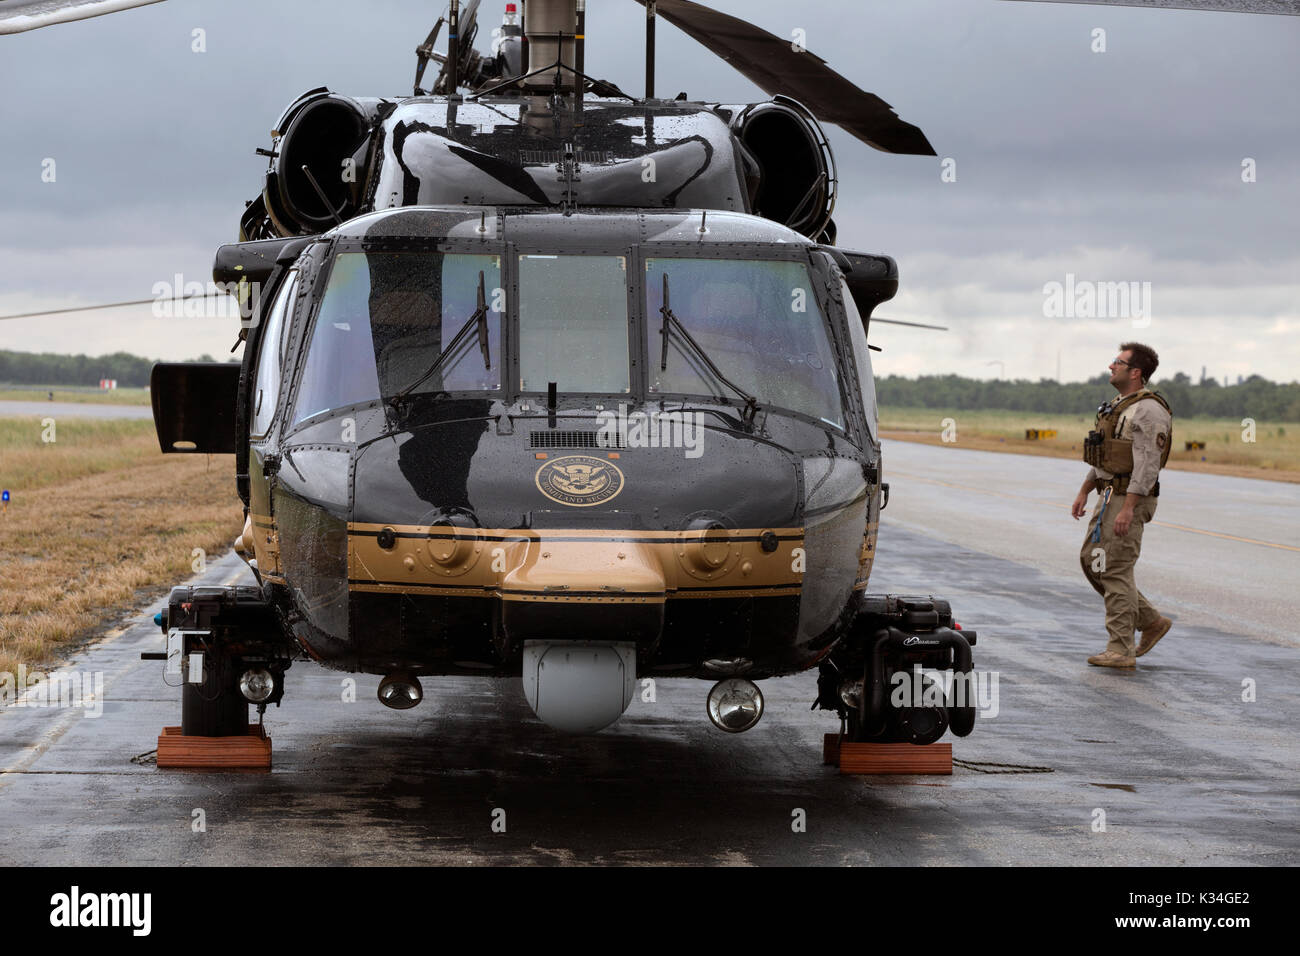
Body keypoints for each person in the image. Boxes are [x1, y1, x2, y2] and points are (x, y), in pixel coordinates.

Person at [1070, 342, 1174, 668]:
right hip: (1109, 494)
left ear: (1135, 372)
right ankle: (1150, 620)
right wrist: (1085, 489)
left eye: (1117, 362)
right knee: (1093, 562)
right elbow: (1108, 456)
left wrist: (1129, 508)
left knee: (1114, 569)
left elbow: (1147, 465)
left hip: (1129, 498)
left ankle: (1119, 649)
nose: (1110, 366)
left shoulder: (1149, 411)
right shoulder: (1120, 405)